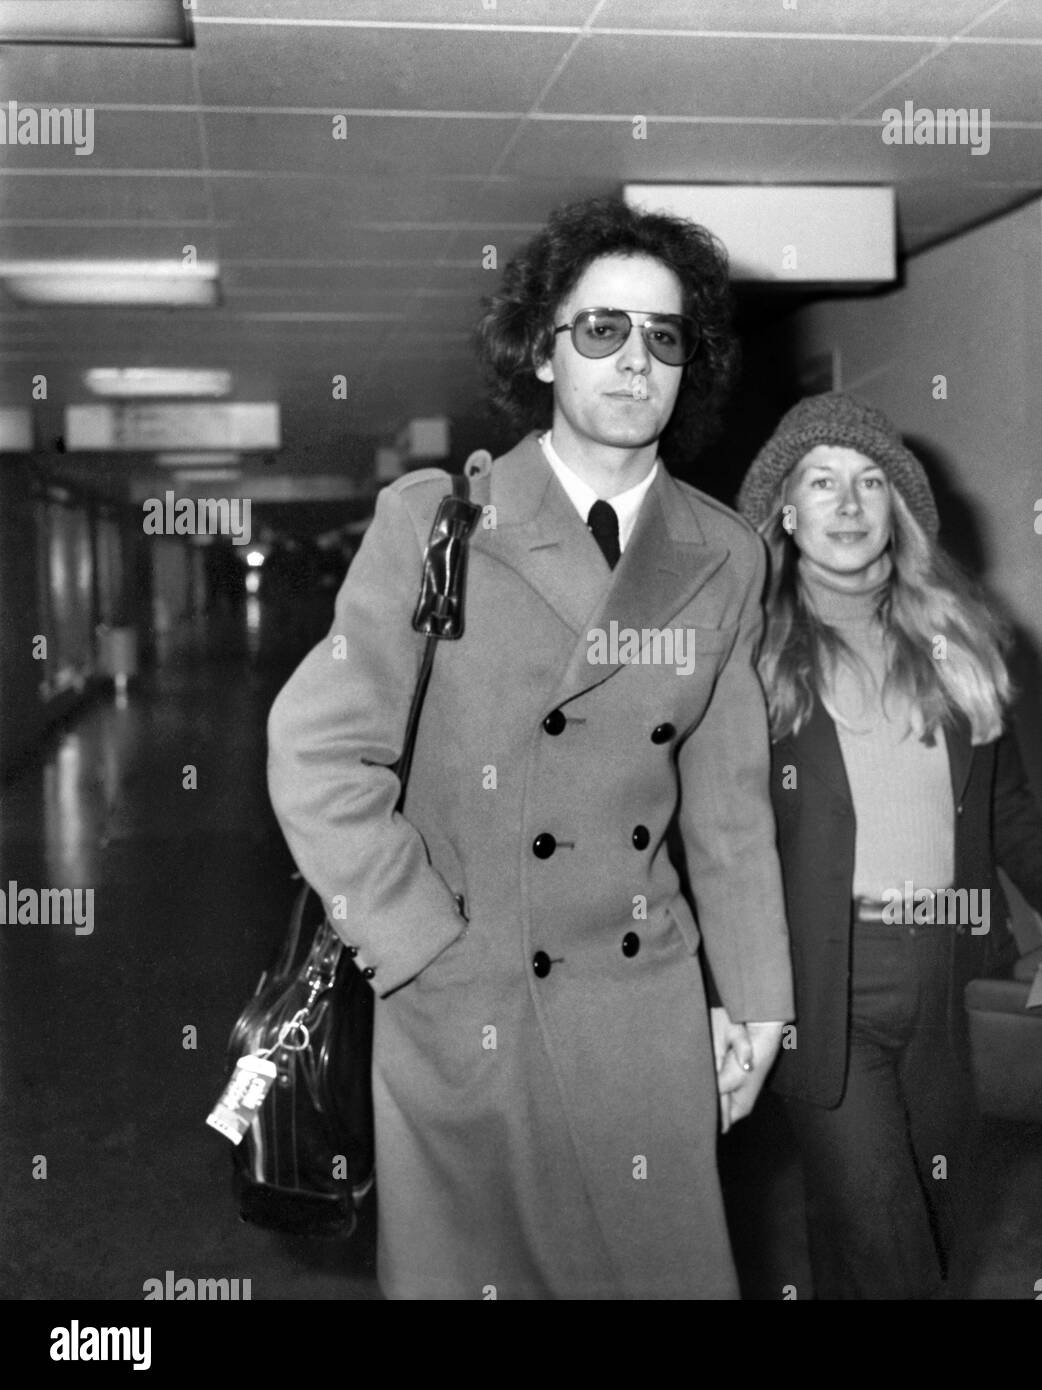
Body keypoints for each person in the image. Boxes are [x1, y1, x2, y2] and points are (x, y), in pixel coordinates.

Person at [267, 196, 793, 1299]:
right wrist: (416, 943)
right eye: (600, 329)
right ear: (542, 354)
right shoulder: (437, 522)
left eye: (663, 336)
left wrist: (755, 1002)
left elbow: (729, 802)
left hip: (643, 1011)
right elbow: (317, 753)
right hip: (467, 1008)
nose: (634, 361)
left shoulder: (726, 552)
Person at [735, 391, 1042, 1300]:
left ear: (897, 509)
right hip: (824, 988)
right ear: (786, 513)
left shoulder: (957, 641)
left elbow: (1013, 813)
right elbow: (710, 836)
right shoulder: (749, 651)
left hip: (954, 977)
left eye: (871, 482)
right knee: (887, 1245)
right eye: (821, 482)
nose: (847, 504)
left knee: (925, 1234)